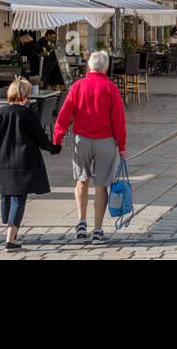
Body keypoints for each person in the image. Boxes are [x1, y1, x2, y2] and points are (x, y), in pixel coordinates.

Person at [53, 50, 128, 244]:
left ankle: (81, 223)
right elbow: (118, 119)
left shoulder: (77, 86)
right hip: (105, 142)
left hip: (82, 140)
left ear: (88, 66)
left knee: (81, 180)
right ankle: (97, 230)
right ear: (106, 67)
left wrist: (57, 138)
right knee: (101, 185)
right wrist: (122, 145)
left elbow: (64, 114)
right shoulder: (111, 88)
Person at [0, 77, 61, 250]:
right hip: (22, 163)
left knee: (5, 194)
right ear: (25, 95)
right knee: (19, 199)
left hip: (1, 161)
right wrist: (54, 148)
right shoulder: (28, 115)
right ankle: (11, 238)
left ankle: (9, 224)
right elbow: (41, 139)